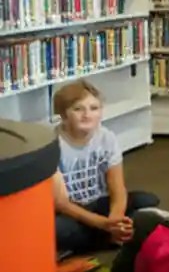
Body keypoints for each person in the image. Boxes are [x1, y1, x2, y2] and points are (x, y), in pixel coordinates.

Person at [52, 81, 160, 256]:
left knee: (147, 200)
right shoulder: (53, 145)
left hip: (100, 204)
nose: (87, 115)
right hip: (73, 212)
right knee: (54, 228)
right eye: (78, 109)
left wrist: (115, 220)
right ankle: (109, 239)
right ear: (64, 114)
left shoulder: (107, 138)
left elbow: (117, 188)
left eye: (94, 108)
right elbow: (62, 204)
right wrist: (103, 225)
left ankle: (101, 239)